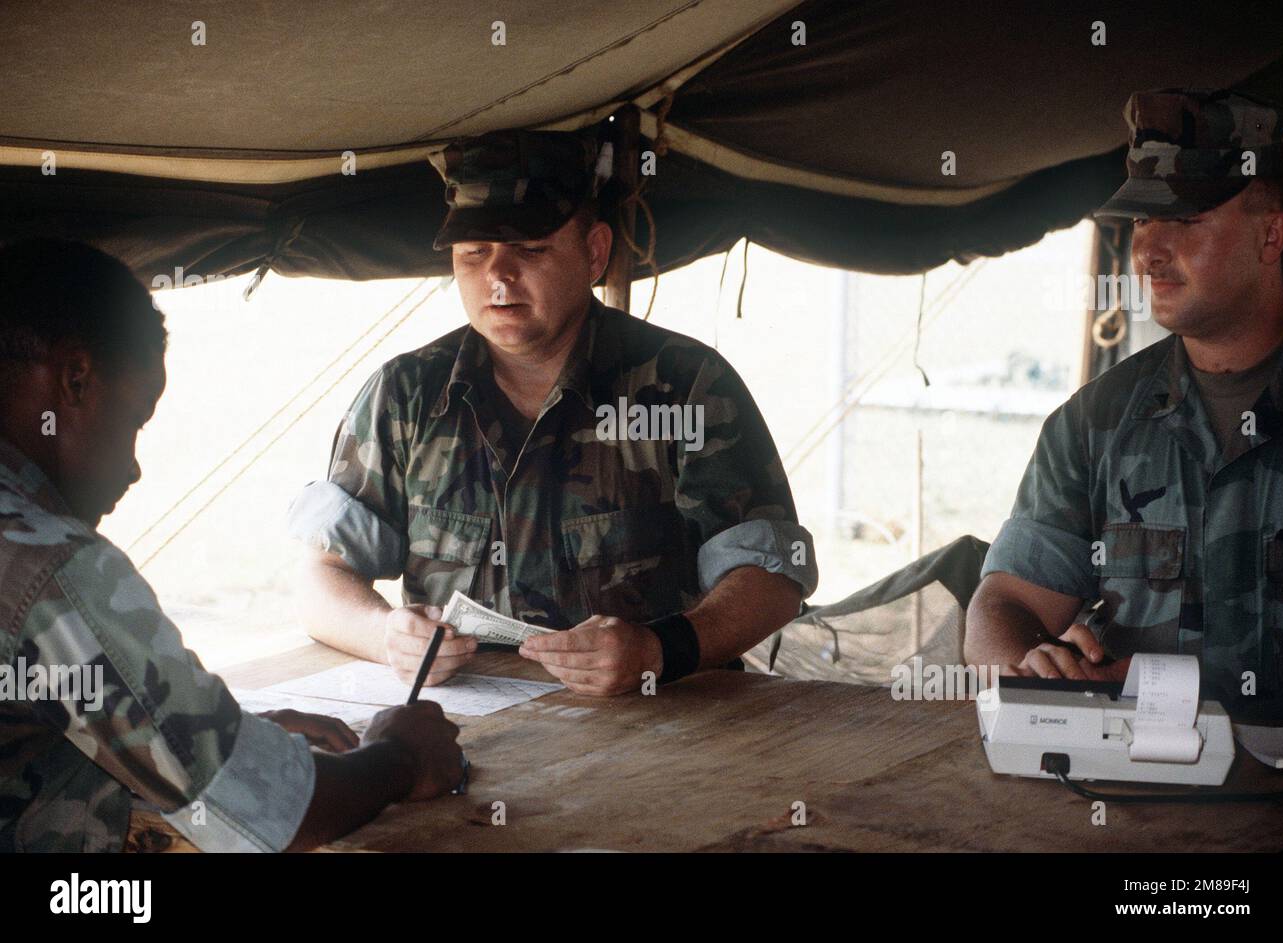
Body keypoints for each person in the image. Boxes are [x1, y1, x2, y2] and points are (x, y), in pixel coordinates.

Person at [290, 129, 817, 696]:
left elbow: (771, 575)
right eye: (473, 254)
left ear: (593, 252)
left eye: (530, 249)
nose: (497, 277)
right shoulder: (406, 395)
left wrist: (662, 649)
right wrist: (385, 635)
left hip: (657, 724)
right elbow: (322, 576)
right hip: (469, 730)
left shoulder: (684, 386)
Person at [0, 239, 464, 852]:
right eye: (134, 419)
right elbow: (278, 817)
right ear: (76, 379)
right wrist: (401, 754)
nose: (133, 467)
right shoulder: (48, 564)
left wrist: (207, 736)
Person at [965, 89, 1283, 724]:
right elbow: (1002, 602)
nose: (1147, 252)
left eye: (1187, 221)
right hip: (1130, 791)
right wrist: (1032, 663)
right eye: (1143, 220)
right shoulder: (1095, 423)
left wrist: (1159, 688)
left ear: (1272, 235)